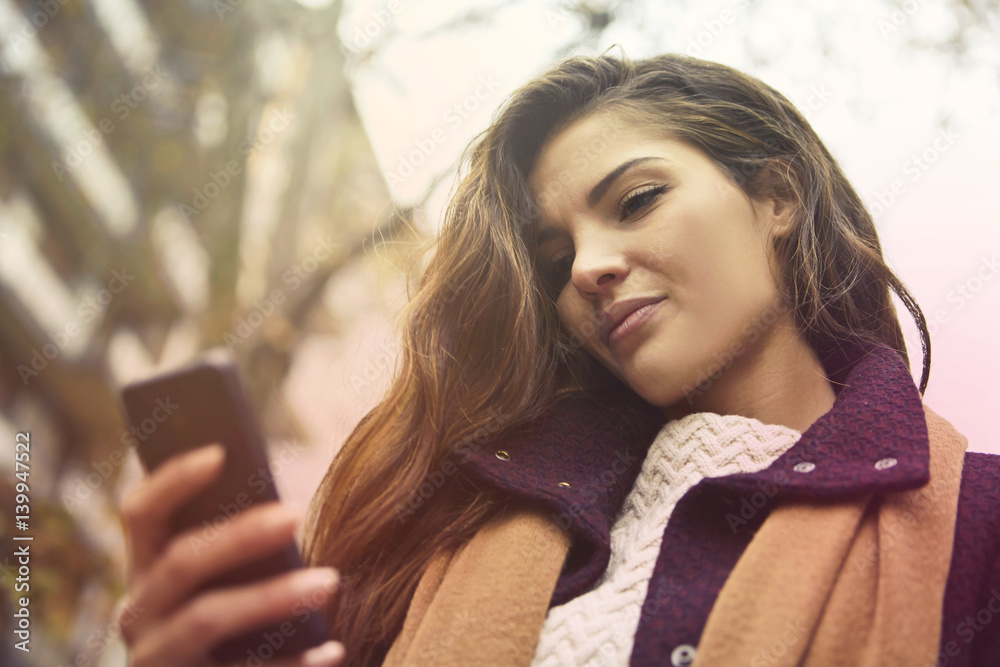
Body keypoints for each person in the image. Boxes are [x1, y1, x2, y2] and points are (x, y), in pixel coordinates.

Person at [117, 53, 1000, 667]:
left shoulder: (978, 527)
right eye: (553, 257)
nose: (587, 267)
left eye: (637, 199)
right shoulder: (448, 532)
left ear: (776, 196)